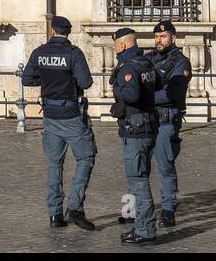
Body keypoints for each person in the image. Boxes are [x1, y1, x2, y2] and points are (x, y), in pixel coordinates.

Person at [20, 15, 96, 231]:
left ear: (52, 31)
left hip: (50, 114)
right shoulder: (74, 54)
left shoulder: (39, 52)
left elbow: (27, 79)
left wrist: (45, 81)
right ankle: (75, 207)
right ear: (68, 33)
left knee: (55, 164)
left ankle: (54, 214)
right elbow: (86, 82)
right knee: (86, 157)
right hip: (71, 114)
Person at [110, 27, 159, 246]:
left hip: (135, 129)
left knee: (138, 181)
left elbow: (131, 94)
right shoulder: (146, 62)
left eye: (115, 45)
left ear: (122, 45)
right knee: (141, 177)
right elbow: (157, 85)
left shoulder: (128, 67)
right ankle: (139, 223)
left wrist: (118, 93)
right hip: (148, 125)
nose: (115, 48)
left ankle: (145, 230)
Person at [146, 20, 191, 228]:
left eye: (163, 37)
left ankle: (168, 209)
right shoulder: (147, 59)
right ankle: (135, 208)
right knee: (138, 168)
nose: (159, 40)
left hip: (165, 120)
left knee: (165, 166)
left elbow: (173, 93)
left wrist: (144, 97)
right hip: (144, 120)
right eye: (156, 37)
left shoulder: (180, 62)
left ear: (173, 38)